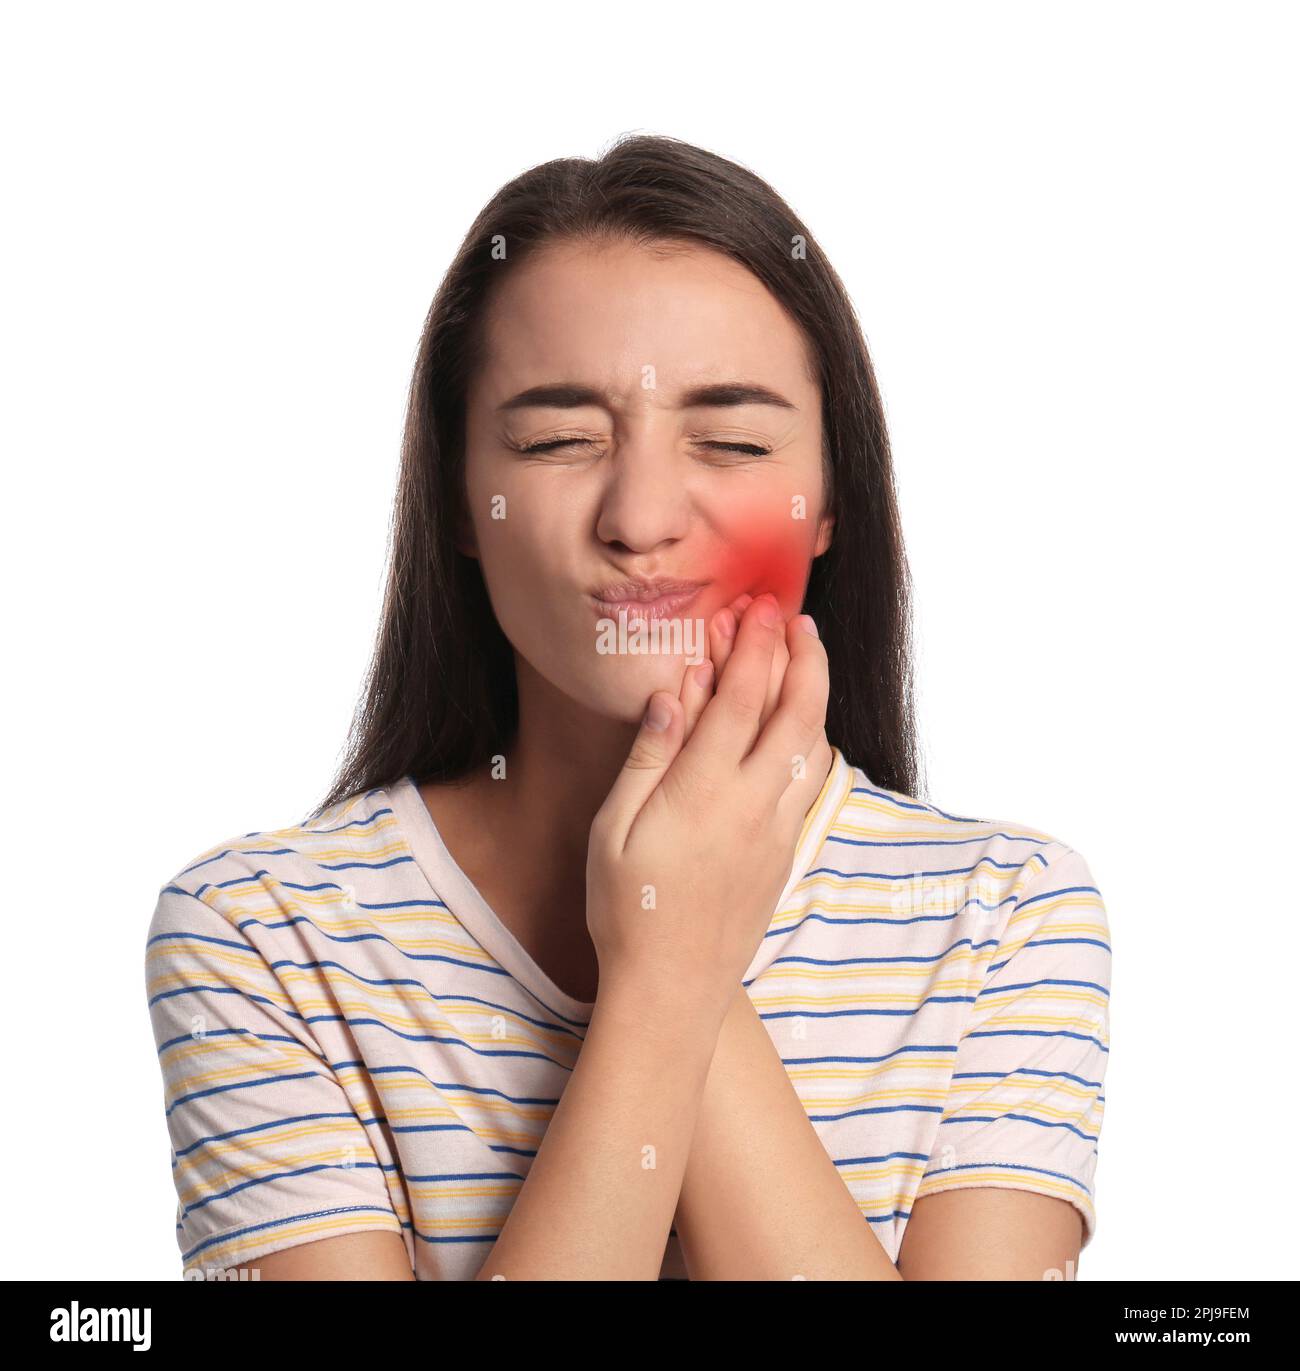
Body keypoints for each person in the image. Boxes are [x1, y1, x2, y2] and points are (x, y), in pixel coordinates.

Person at [144, 134, 1111, 1281]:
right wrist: (665, 966)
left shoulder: (1004, 916)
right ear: (459, 498)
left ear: (828, 504)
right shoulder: (263, 933)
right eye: (558, 441)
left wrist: (678, 928)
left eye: (734, 441)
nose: (641, 516)